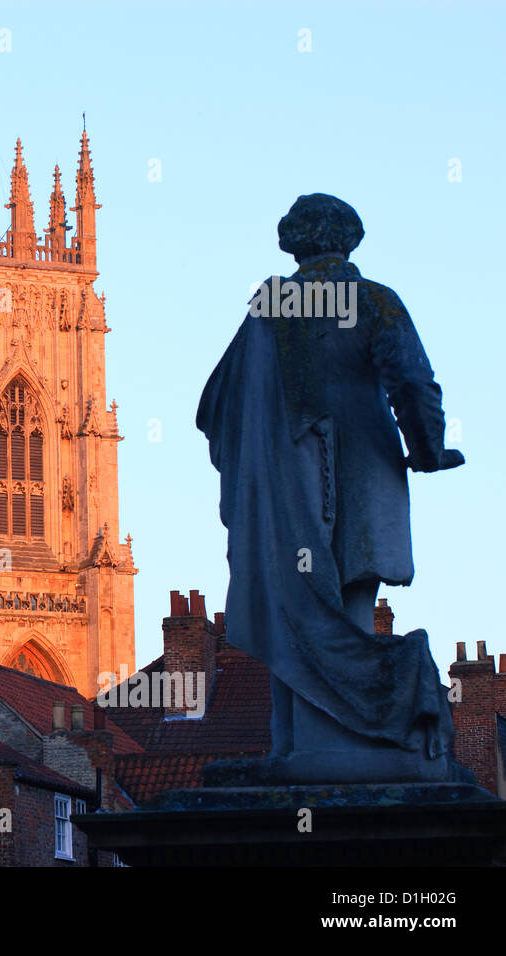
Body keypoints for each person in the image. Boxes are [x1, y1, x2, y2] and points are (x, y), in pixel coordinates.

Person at [196, 194, 464, 781]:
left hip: (283, 492)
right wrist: (428, 450)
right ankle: (346, 747)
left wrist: (265, 470)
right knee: (351, 608)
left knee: (292, 607)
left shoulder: (269, 310)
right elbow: (413, 381)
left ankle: (294, 751)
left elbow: (217, 404)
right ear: (349, 239)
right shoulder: (372, 301)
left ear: (294, 240)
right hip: (364, 474)